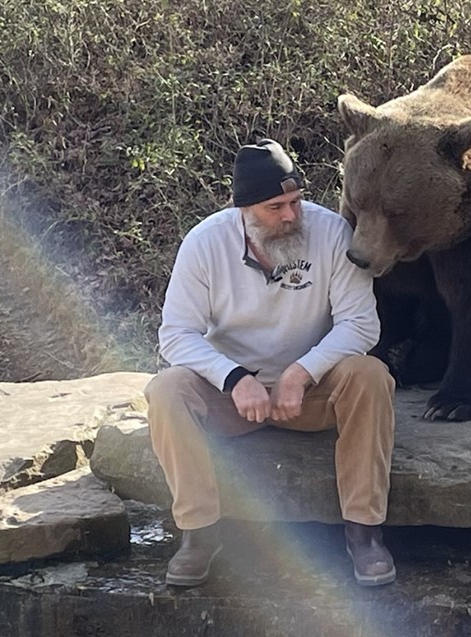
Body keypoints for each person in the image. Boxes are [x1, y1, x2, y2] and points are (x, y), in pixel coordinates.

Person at [145, 138, 397, 588]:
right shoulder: (204, 243)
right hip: (233, 400)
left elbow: (361, 324)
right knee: (166, 390)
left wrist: (302, 373)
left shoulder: (331, 233)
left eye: (295, 201)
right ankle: (199, 533)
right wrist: (234, 378)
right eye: (275, 207)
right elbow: (176, 334)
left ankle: (364, 533)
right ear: (243, 210)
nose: (290, 216)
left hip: (310, 394)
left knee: (370, 375)